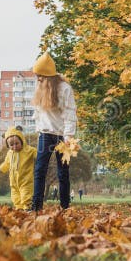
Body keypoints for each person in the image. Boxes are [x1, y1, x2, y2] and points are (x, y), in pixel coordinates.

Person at [30, 53, 77, 211]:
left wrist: (68, 138)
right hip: (45, 135)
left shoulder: (65, 89)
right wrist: (39, 130)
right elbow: (38, 112)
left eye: (40, 76)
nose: (38, 79)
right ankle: (36, 206)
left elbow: (70, 114)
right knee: (39, 170)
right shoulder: (40, 87)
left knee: (63, 172)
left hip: (63, 137)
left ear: (48, 76)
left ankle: (65, 206)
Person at [0, 126, 37, 210]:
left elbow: (38, 155)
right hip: (14, 182)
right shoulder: (10, 153)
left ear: (22, 140)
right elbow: (6, 164)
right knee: (16, 198)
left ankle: (28, 209)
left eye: (17, 143)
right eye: (11, 145)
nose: (14, 147)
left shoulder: (29, 150)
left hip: (26, 181)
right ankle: (19, 210)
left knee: (26, 196)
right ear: (8, 145)